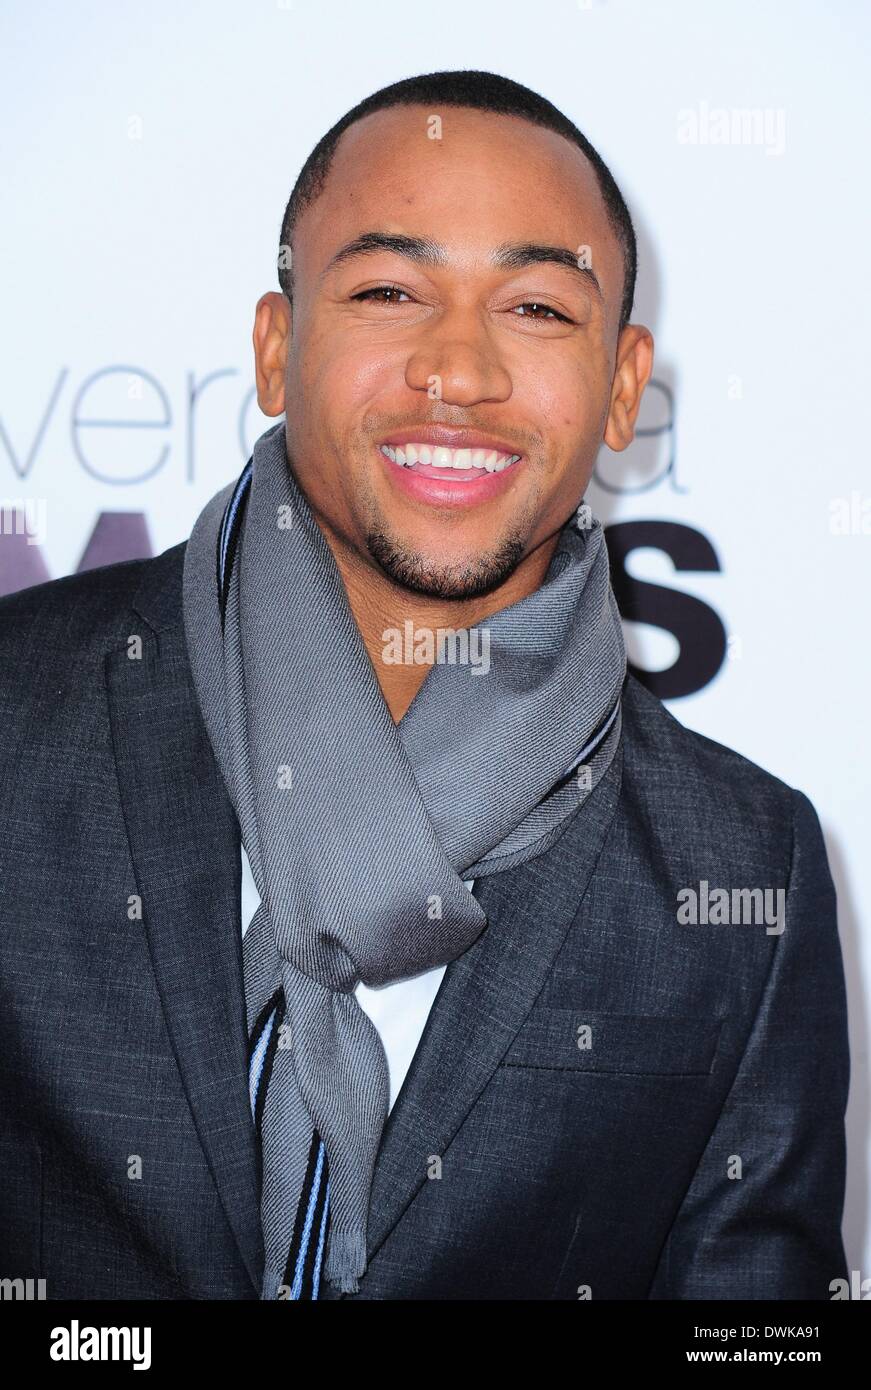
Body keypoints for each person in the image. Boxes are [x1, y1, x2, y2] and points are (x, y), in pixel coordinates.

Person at [0, 69, 849, 1301]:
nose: (456, 368)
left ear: (622, 386)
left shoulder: (740, 864)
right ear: (277, 349)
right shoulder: (18, 722)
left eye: (539, 309)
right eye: (391, 291)